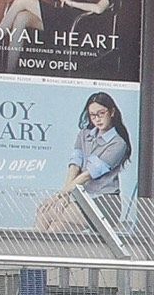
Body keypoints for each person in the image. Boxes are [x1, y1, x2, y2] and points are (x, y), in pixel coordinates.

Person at [36, 90, 132, 233]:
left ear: (111, 112)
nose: (97, 119)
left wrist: (60, 195)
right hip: (83, 199)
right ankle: (36, 254)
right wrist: (65, 195)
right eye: (93, 115)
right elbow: (74, 165)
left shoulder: (118, 143)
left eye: (101, 113)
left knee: (46, 212)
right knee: (56, 229)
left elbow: (87, 175)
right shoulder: (84, 135)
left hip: (105, 203)